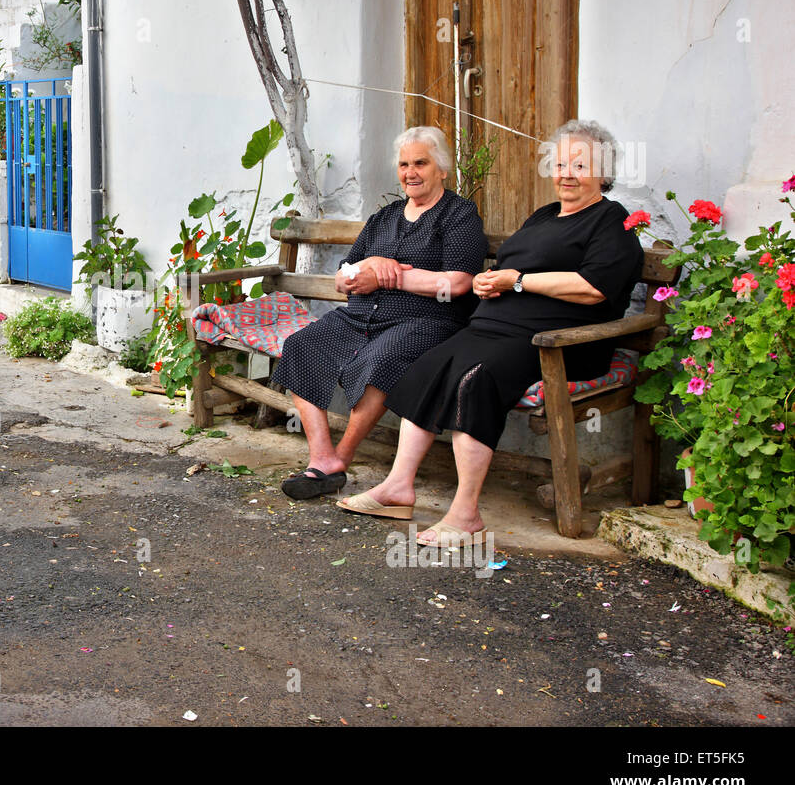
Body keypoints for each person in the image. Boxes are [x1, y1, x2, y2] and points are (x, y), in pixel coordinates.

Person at [338, 119, 644, 545]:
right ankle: (397, 487)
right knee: (427, 367)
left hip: (557, 341)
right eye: (560, 164)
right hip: (493, 328)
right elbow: (511, 268)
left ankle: (465, 515)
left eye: (580, 165)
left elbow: (594, 288)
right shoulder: (544, 216)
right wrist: (489, 281)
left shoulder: (610, 221)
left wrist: (517, 281)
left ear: (603, 172)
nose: (567, 174)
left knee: (474, 380)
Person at [274, 126, 488, 500]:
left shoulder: (459, 215)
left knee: (382, 360)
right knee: (301, 345)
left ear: (442, 169)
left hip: (425, 321)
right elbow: (343, 277)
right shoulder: (384, 217)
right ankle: (322, 457)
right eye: (404, 165)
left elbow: (456, 283)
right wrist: (371, 264)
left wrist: (391, 277)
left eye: (420, 163)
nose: (410, 173)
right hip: (359, 318)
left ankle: (341, 458)